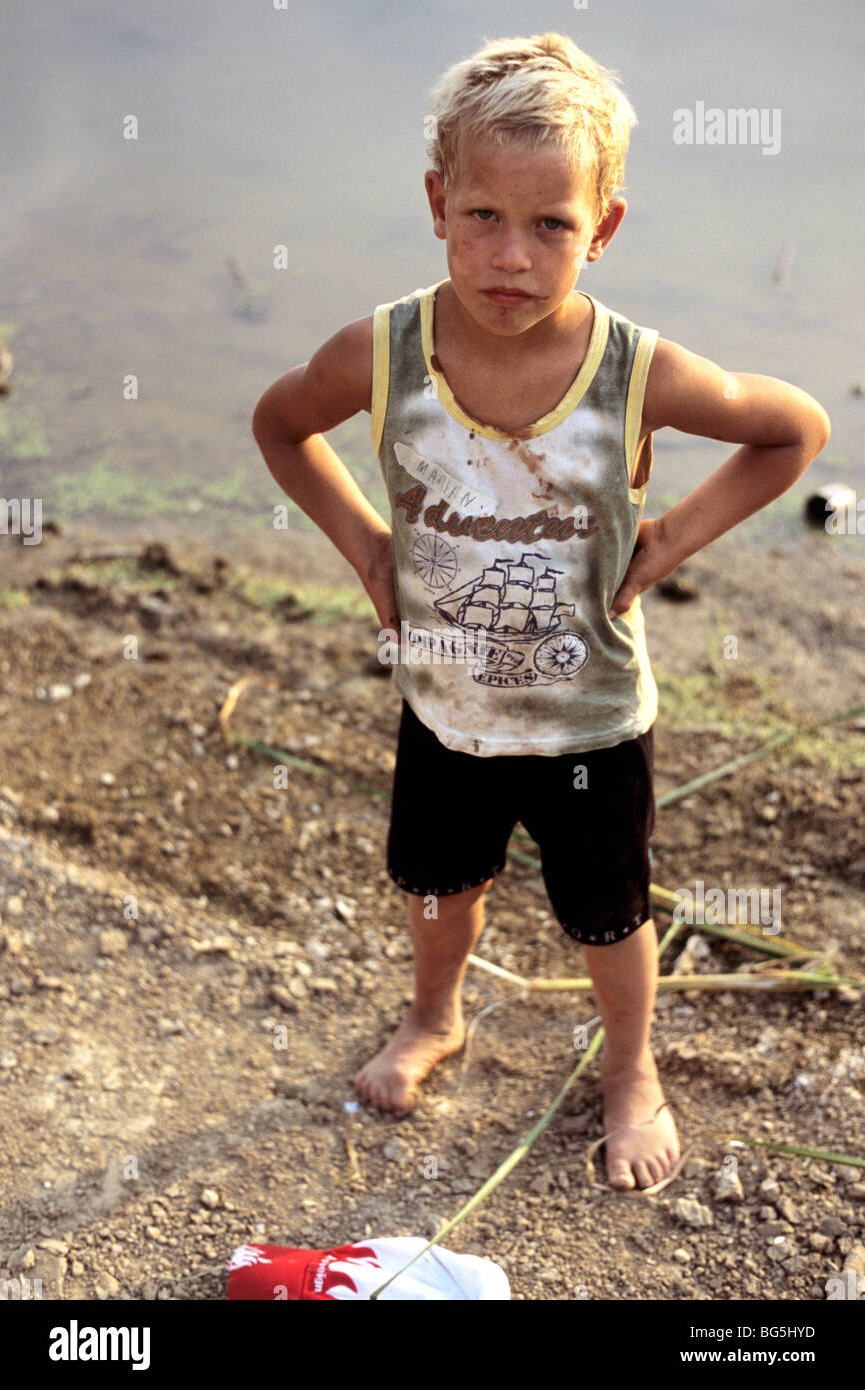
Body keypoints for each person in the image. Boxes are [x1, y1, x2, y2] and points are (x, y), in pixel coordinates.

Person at [251, 33, 830, 1191]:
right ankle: (435, 1014)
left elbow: (793, 429)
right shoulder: (385, 352)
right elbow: (279, 424)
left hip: (588, 724)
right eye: (481, 217)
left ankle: (628, 1069)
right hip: (446, 711)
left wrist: (669, 538)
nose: (510, 258)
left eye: (551, 226)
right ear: (436, 204)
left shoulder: (631, 371)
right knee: (436, 888)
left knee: (606, 918)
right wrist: (367, 545)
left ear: (602, 228)